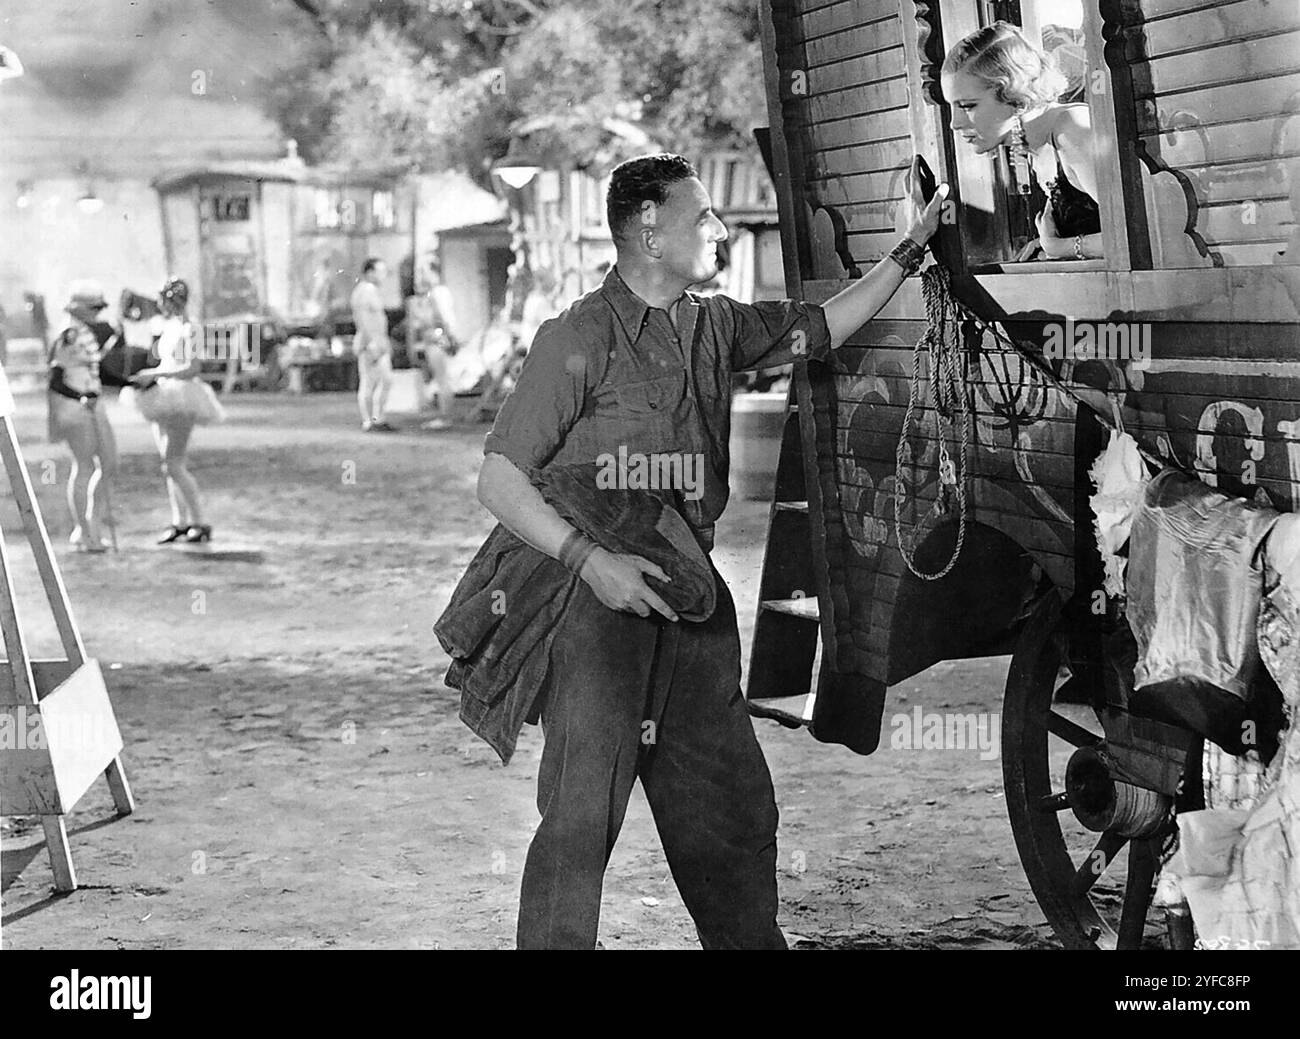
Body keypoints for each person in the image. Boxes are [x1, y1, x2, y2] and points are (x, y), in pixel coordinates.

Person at [473, 152, 947, 948]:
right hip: (595, 616)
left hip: (692, 602)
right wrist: (593, 562)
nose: (720, 228)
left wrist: (909, 252)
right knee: (582, 817)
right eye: (703, 217)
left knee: (730, 810)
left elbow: (824, 323)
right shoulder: (576, 338)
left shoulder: (714, 323)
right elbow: (498, 478)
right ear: (651, 234)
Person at [942, 21, 1102, 260]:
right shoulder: (1037, 143)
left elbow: (1136, 232)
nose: (955, 123)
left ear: (1012, 93)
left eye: (967, 106)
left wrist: (1061, 248)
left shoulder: (1071, 131)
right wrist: (1043, 244)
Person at [120, 277, 224, 544]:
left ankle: (199, 521)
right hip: (164, 393)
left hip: (182, 395)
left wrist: (155, 373)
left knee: (173, 462)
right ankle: (180, 521)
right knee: (169, 465)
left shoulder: (192, 328)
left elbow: (192, 369)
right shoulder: (169, 326)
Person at [48, 320, 117, 552]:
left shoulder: (90, 335)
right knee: (84, 465)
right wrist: (79, 397)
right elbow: (55, 379)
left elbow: (99, 371)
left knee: (109, 463)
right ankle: (84, 531)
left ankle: (92, 524)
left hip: (94, 403)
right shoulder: (67, 334)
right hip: (75, 409)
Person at [350, 258, 395, 432]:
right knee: (369, 382)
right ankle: (369, 420)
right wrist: (371, 342)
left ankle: (377, 418)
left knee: (385, 380)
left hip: (378, 341)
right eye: (380, 271)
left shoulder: (371, 291)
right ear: (370, 273)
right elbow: (362, 320)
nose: (383, 276)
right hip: (370, 343)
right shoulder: (363, 292)